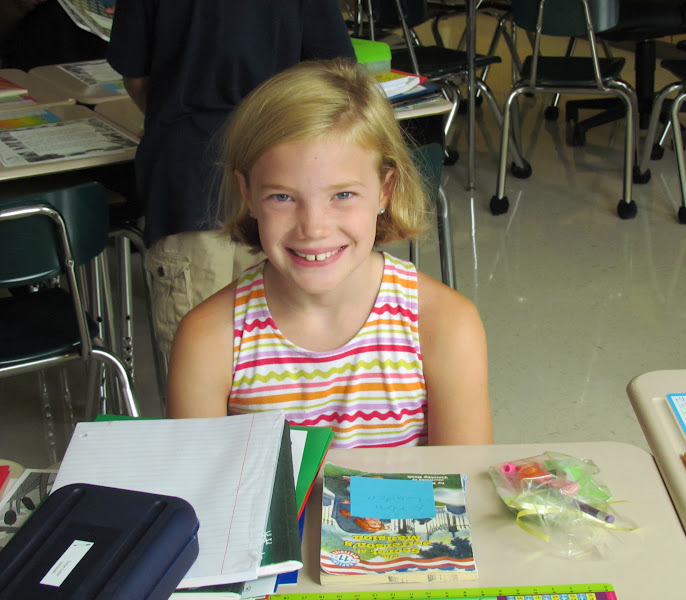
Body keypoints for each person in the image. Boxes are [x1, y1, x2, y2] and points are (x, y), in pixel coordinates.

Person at [167, 59, 493, 448]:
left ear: (385, 191)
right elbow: (200, 482)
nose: (314, 228)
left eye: (342, 194)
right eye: (282, 197)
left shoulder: (445, 325)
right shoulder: (208, 340)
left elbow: (463, 478)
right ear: (248, 194)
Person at [106, 0, 356, 355]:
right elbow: (334, 70)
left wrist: (170, 111)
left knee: (201, 352)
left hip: (192, 168)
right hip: (280, 172)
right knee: (280, 349)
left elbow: (135, 74)